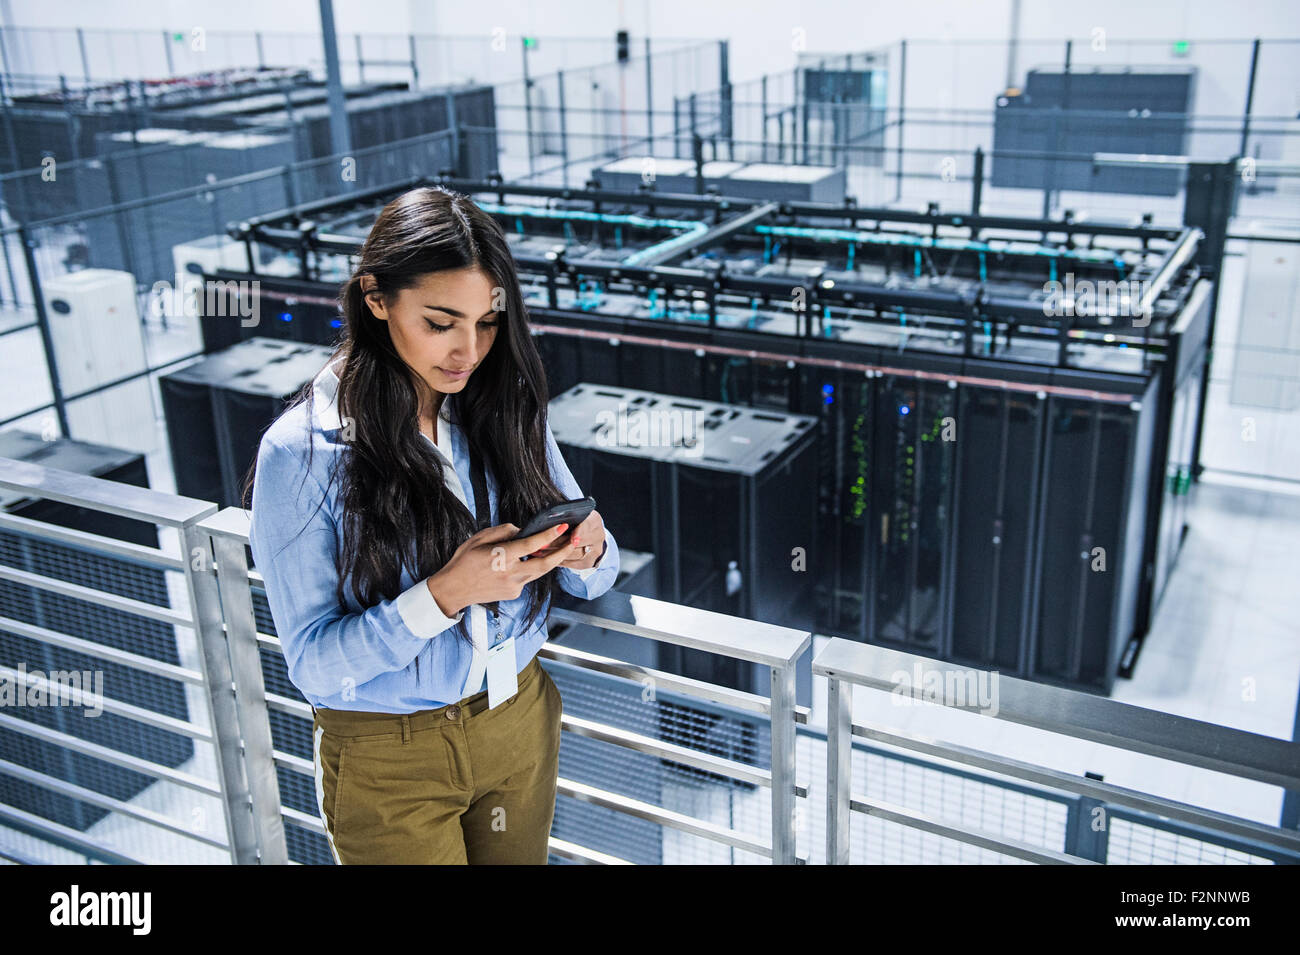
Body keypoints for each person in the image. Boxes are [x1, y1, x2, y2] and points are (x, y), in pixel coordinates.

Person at [246, 185, 619, 864]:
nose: (468, 350)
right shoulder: (301, 451)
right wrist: (447, 592)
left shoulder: (503, 403)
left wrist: (585, 549)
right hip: (392, 757)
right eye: (441, 321)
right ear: (376, 299)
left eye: (486, 322)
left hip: (517, 718)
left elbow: (602, 566)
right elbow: (315, 666)